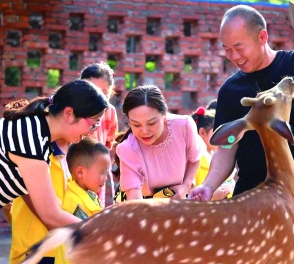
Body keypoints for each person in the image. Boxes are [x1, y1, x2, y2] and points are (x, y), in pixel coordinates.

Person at [189, 5, 294, 264]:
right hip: (249, 198)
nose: (233, 56)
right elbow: (227, 148)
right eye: (226, 49)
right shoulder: (230, 90)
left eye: (239, 46)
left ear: (262, 37)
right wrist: (208, 186)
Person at [0, 79, 109, 264]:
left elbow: (37, 202)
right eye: (93, 123)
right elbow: (50, 214)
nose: (92, 131)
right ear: (69, 114)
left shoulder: (37, 130)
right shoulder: (31, 138)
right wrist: (103, 233)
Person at [114, 85, 205, 201]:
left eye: (151, 123)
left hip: (179, 199)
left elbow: (194, 158)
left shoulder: (184, 125)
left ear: (165, 114)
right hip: (141, 205)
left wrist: (185, 186)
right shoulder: (127, 148)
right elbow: (134, 200)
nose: (144, 131)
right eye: (136, 125)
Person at [7, 99, 71, 264]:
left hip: (57, 245)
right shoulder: (36, 150)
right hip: (34, 247)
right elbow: (30, 201)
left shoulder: (71, 153)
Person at [54, 137, 110, 264]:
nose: (105, 178)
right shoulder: (74, 203)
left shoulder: (88, 195)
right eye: (102, 172)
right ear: (80, 172)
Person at [80, 62, 118, 207]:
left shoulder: (110, 111)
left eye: (103, 93)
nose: (97, 98)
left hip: (95, 177)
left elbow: (109, 145)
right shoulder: (70, 112)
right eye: (92, 91)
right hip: (70, 174)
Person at [191, 106, 235, 200]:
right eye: (216, 131)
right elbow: (189, 195)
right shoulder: (194, 159)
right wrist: (213, 195)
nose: (222, 137)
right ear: (202, 132)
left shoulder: (217, 156)